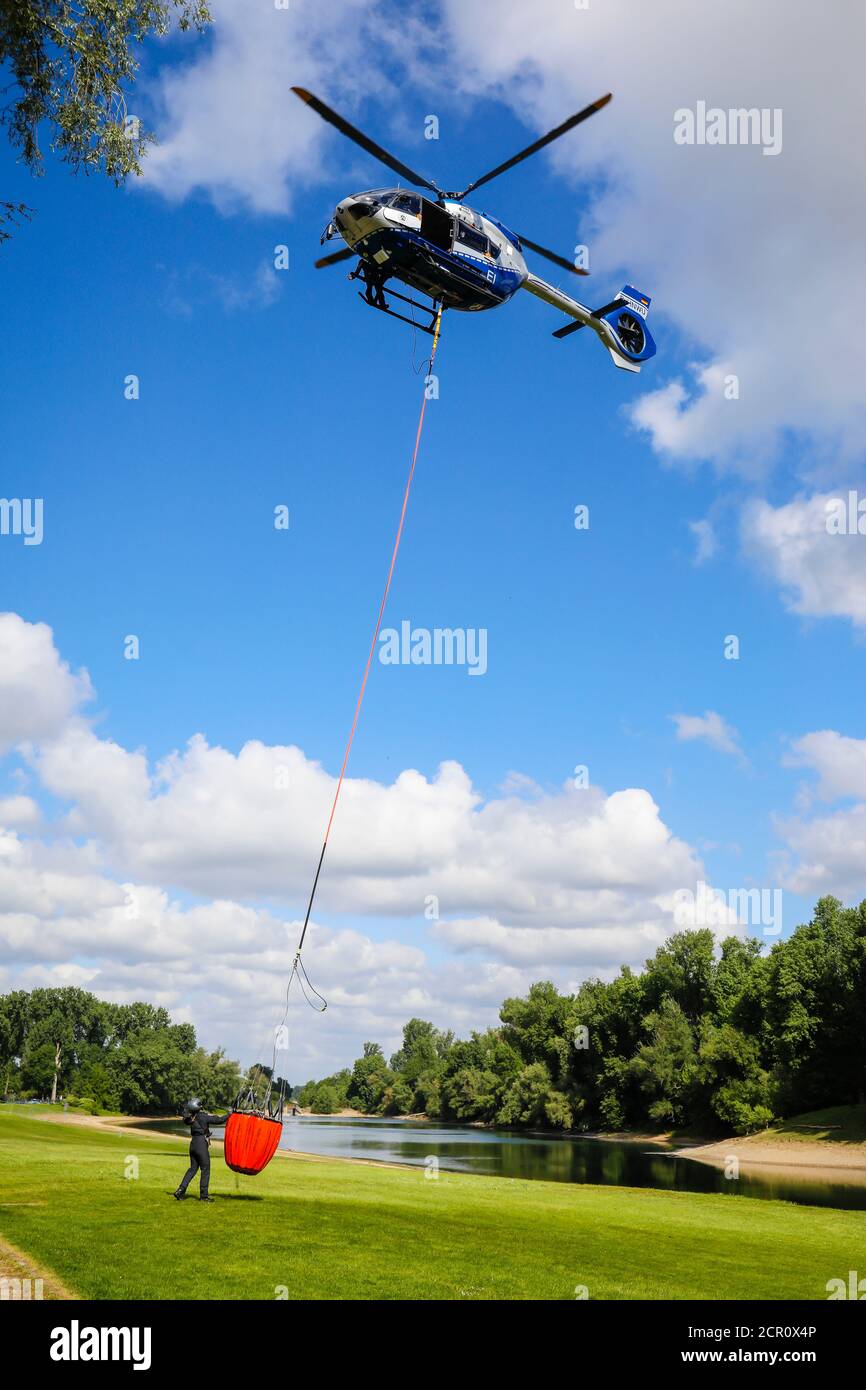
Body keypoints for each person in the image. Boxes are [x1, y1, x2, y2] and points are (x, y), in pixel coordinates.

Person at [174, 1098, 232, 1202]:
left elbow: (186, 1116)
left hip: (193, 1144)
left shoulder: (189, 1118)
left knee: (192, 1169)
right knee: (205, 1169)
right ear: (198, 1107)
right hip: (201, 1144)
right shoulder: (203, 1117)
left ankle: (180, 1190)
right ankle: (204, 1196)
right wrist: (229, 1114)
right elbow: (219, 1120)